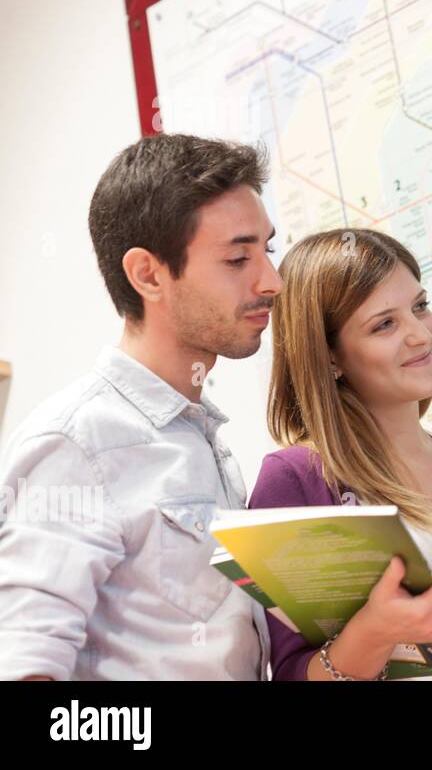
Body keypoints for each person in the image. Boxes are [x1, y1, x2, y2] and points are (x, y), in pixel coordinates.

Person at [0, 133, 279, 680]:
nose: (272, 280)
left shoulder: (203, 440)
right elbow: (24, 665)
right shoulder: (78, 444)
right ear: (148, 274)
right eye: (238, 258)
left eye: (267, 250)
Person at [248, 228, 432, 680]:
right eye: (384, 324)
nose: (421, 335)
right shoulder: (297, 478)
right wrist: (375, 632)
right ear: (330, 357)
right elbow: (289, 673)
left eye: (419, 306)